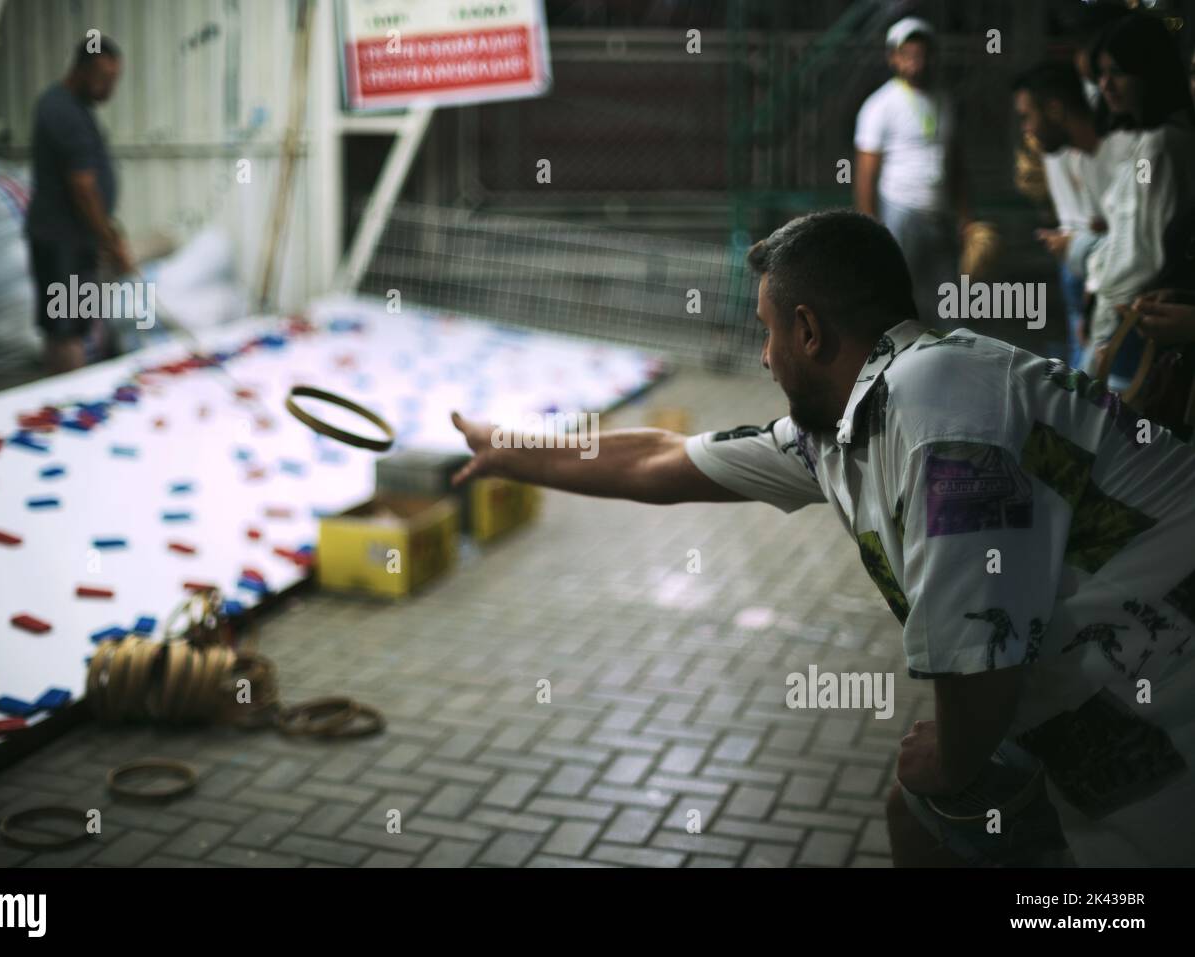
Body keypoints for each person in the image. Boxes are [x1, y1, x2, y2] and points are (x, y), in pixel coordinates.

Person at [453, 210, 1195, 867]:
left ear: (808, 330)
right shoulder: (846, 427)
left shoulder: (940, 399)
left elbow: (982, 646)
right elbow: (656, 460)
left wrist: (953, 752)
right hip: (1086, 689)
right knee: (918, 817)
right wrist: (512, 447)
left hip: (1164, 698)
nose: (765, 357)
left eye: (767, 333)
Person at [1082, 13, 1195, 388]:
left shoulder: (1157, 146)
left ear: (1148, 73)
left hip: (1133, 317)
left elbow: (1142, 248)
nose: (1106, 85)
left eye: (1118, 72)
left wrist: (1105, 332)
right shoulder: (1161, 140)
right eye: (1101, 74)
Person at [25, 36, 133, 374]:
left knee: (74, 325)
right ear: (82, 70)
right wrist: (108, 239)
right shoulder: (62, 110)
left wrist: (108, 232)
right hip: (61, 243)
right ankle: (65, 401)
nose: (109, 89)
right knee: (65, 329)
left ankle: (66, 395)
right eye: (104, 79)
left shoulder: (74, 108)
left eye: (115, 80)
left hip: (74, 241)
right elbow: (84, 186)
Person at [854, 16, 967, 325]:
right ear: (893, 57)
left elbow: (955, 162)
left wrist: (966, 216)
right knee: (899, 298)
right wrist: (871, 231)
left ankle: (947, 363)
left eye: (922, 53)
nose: (916, 60)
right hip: (901, 211)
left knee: (949, 301)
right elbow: (865, 174)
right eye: (908, 53)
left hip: (940, 214)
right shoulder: (880, 105)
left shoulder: (944, 100)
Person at [1014, 62, 1107, 371]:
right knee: (1079, 347)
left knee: (1093, 373)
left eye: (1027, 117)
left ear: (1053, 108)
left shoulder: (1100, 135)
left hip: (1098, 269)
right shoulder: (1060, 145)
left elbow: (1116, 234)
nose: (1025, 129)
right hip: (1074, 255)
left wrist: (1082, 245)